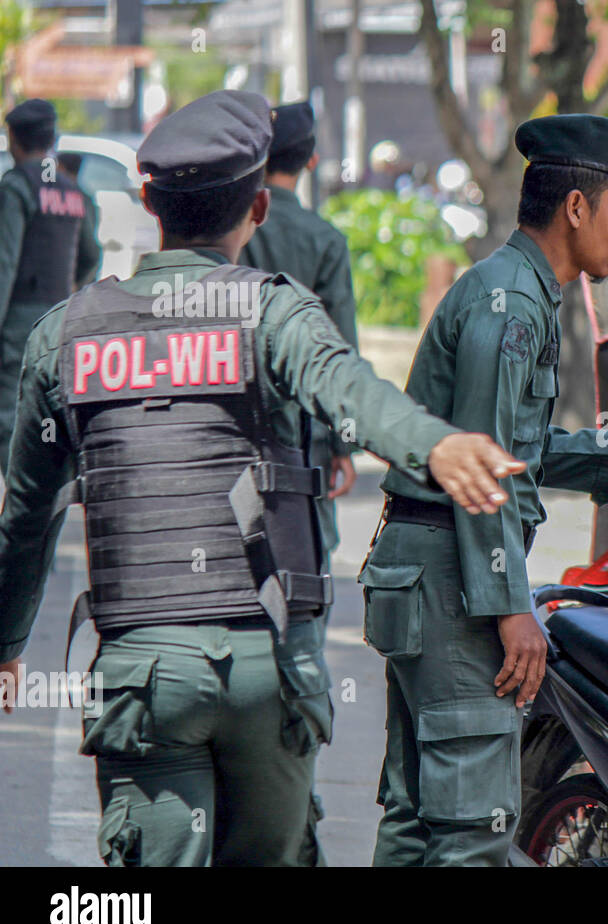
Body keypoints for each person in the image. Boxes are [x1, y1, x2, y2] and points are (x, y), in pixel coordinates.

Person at [0, 90, 522, 866]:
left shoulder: (65, 335)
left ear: (147, 202)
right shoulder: (272, 314)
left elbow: (26, 515)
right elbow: (352, 390)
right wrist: (436, 446)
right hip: (267, 666)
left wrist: (8, 642)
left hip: (146, 674)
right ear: (259, 206)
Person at [364, 113, 608, 867]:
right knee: (470, 832)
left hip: (427, 570)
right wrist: (513, 606)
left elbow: (516, 448)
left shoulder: (517, 290)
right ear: (577, 208)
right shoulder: (512, 307)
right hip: (456, 581)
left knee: (418, 819)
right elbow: (481, 468)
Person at [240, 100, 359, 576]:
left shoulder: (236, 231)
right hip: (305, 427)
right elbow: (340, 351)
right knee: (308, 553)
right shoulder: (325, 239)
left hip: (236, 415)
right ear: (311, 161)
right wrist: (342, 446)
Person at [0, 99, 101, 475]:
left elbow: (5, 263)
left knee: (10, 418)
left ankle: (24, 514)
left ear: (13, 138)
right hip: (60, 321)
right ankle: (47, 503)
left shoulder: (15, 188)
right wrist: (72, 295)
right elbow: (92, 254)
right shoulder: (72, 191)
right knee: (52, 413)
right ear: (53, 138)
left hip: (18, 323)